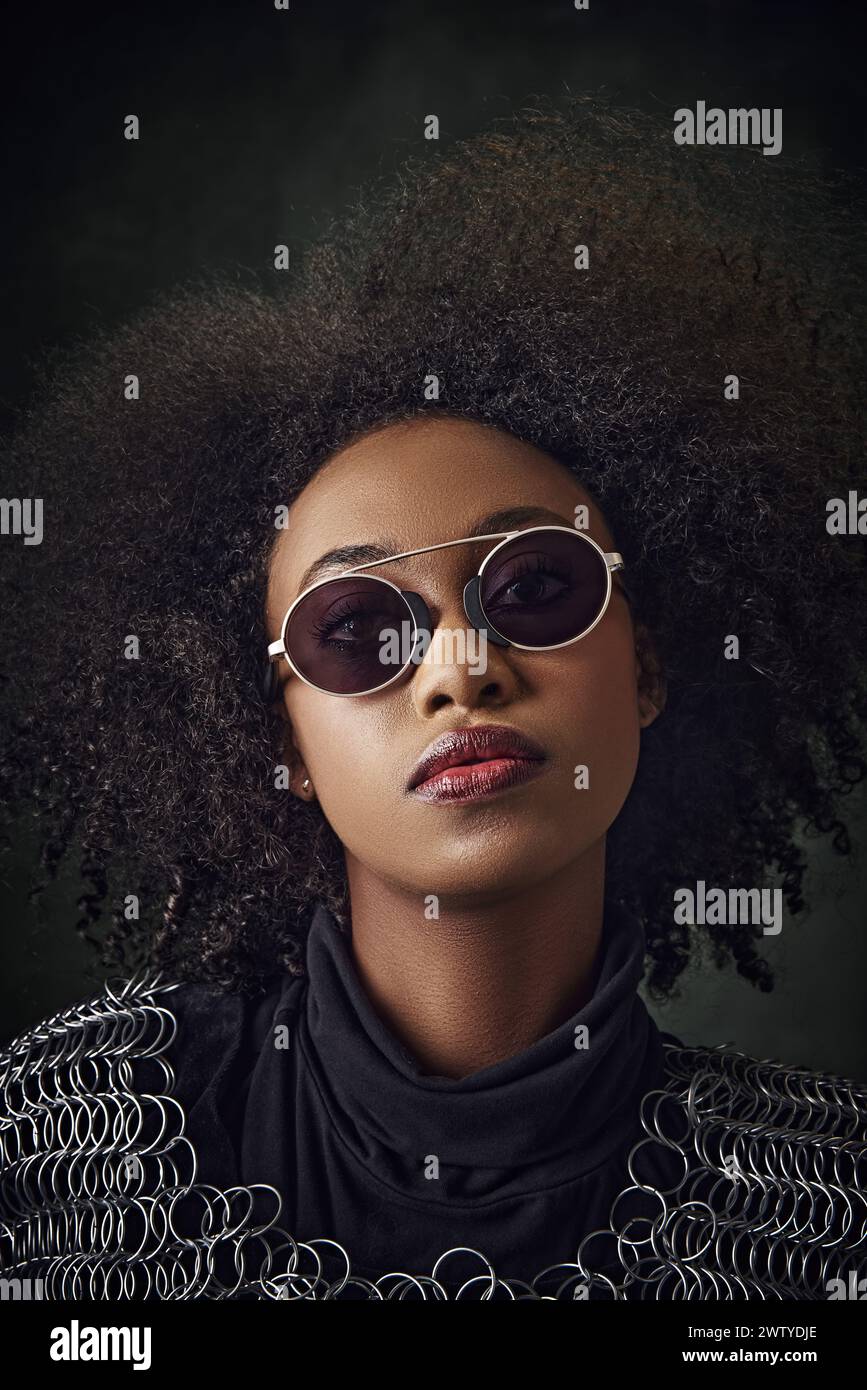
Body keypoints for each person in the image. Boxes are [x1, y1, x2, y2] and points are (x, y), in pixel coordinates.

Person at [1, 95, 866, 1301]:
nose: (462, 665)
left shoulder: (827, 1218)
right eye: (358, 629)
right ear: (281, 739)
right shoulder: (59, 1160)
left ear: (648, 667)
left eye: (537, 586)